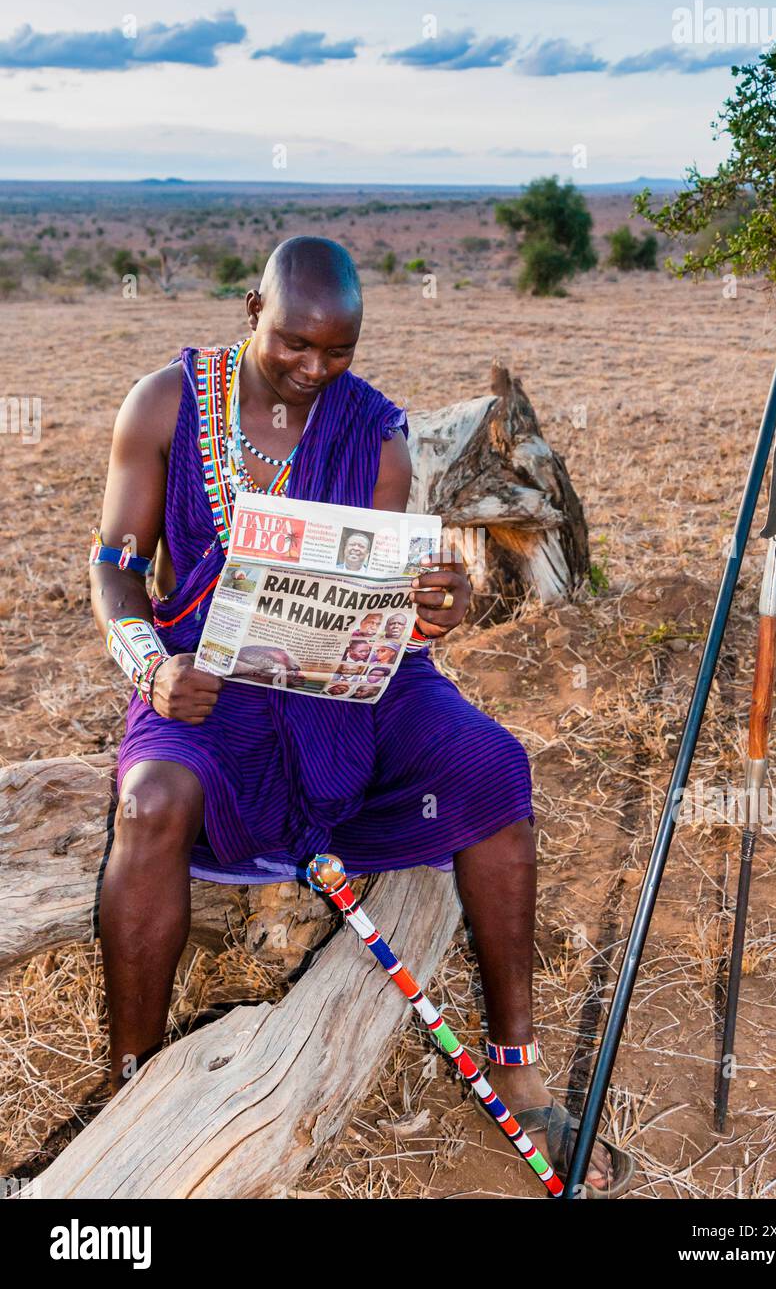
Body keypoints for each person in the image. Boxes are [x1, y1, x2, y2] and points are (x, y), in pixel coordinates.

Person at [89, 236, 623, 1192]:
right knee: (149, 803)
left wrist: (436, 609)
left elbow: (381, 601)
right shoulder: (164, 404)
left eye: (336, 353)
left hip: (342, 680)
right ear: (251, 312)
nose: (313, 370)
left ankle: (513, 1057)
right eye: (295, 344)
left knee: (493, 765)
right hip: (204, 678)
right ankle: (131, 1079)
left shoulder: (373, 431)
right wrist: (150, 664)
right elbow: (116, 567)